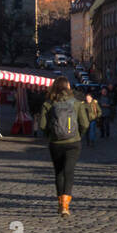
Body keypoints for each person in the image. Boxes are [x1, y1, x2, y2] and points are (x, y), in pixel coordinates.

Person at [38, 77, 92, 215]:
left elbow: (42, 125)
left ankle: (60, 203)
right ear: (68, 87)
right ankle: (65, 206)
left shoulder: (48, 103)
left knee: (59, 173)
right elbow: (85, 124)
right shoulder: (76, 103)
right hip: (73, 142)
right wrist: (79, 134)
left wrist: (50, 135)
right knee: (69, 172)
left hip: (55, 143)